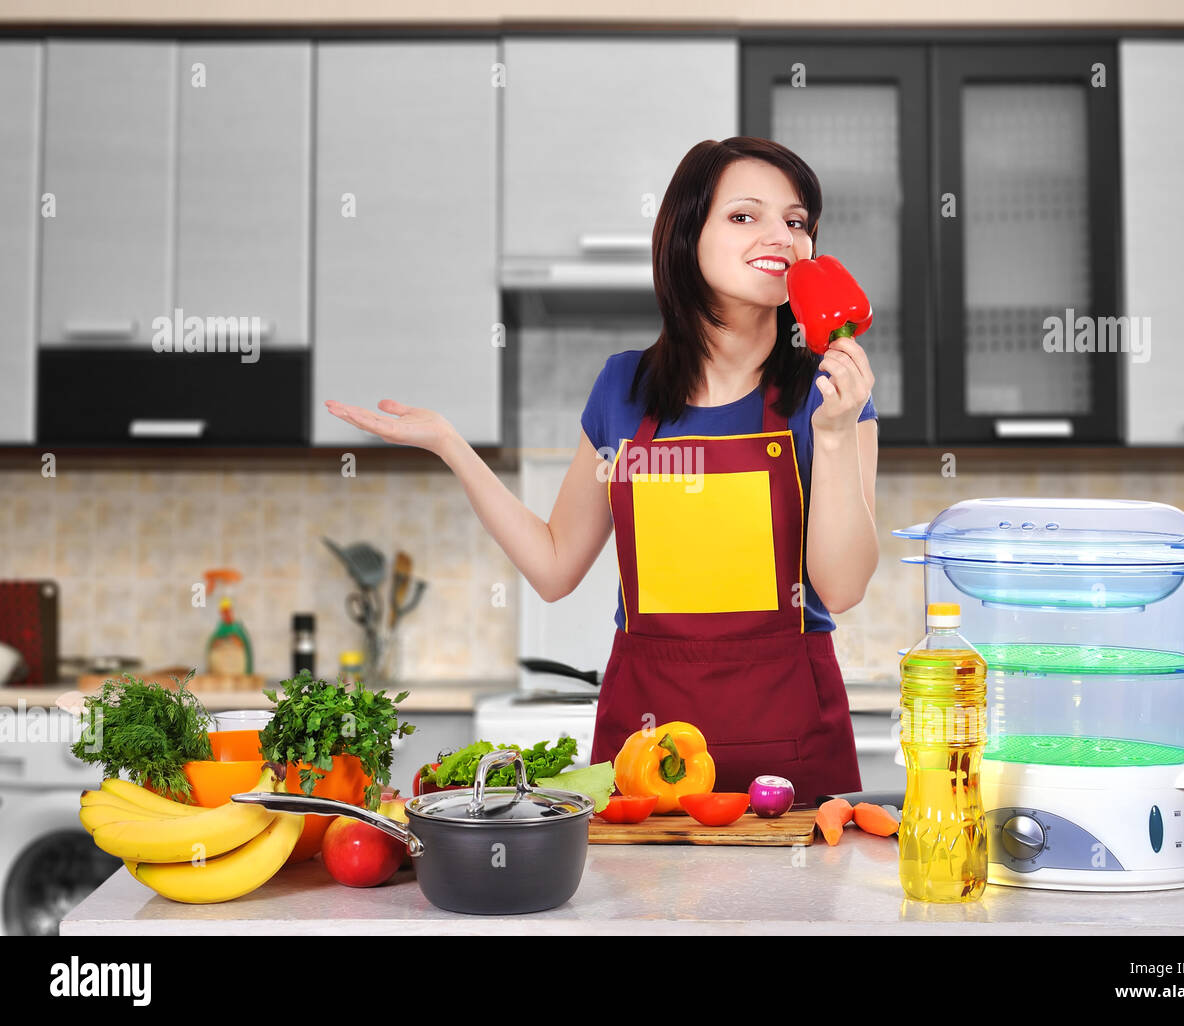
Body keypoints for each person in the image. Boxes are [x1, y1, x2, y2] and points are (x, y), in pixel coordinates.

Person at [324, 136, 879, 804]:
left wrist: (837, 433)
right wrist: (451, 444)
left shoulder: (831, 395)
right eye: (743, 216)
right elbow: (555, 567)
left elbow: (842, 589)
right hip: (647, 759)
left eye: (796, 222)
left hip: (791, 764)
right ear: (685, 237)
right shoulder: (625, 387)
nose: (781, 236)